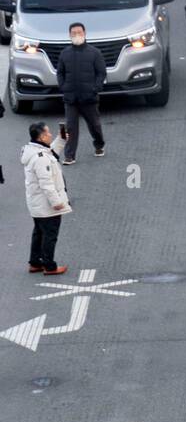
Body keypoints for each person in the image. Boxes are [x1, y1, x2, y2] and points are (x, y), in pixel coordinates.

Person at [22, 121, 71, 276]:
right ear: (42, 136)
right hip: (46, 205)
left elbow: (51, 153)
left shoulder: (33, 150)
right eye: (48, 133)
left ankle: (35, 262)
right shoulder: (41, 158)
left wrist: (61, 139)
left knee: (39, 232)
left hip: (36, 204)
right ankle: (49, 266)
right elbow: (46, 184)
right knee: (50, 234)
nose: (50, 135)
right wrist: (56, 202)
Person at [55, 23, 106, 163]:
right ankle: (69, 156)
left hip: (89, 98)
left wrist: (95, 89)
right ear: (69, 35)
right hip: (70, 99)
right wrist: (63, 87)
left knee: (94, 125)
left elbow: (101, 73)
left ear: (84, 33)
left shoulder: (94, 53)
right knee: (70, 128)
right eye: (74, 32)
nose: (77, 35)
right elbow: (60, 72)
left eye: (79, 32)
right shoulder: (65, 53)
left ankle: (99, 144)